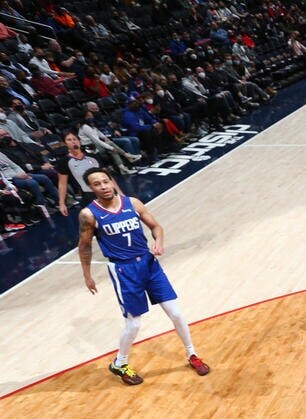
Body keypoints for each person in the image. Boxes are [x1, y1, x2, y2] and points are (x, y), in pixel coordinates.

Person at [76, 167, 211, 385]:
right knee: (134, 325)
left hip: (149, 264)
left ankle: (192, 355)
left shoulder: (133, 203)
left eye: (105, 181)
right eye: (97, 184)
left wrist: (158, 242)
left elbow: (156, 227)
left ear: (111, 181)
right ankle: (119, 363)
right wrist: (87, 275)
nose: (103, 186)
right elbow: (84, 246)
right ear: (90, 188)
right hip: (124, 270)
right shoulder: (89, 214)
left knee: (176, 313)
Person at [56, 131, 104, 215]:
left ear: (79, 141)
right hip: (87, 196)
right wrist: (62, 203)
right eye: (69, 140)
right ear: (65, 144)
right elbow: (62, 184)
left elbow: (108, 176)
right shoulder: (64, 162)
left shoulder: (93, 157)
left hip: (104, 190)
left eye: (75, 139)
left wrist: (120, 193)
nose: (73, 141)